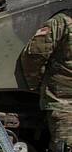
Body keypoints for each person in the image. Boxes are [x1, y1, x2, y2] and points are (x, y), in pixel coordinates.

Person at [21, 12, 72, 144]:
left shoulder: (62, 22)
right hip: (65, 105)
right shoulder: (62, 23)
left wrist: (37, 85)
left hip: (64, 103)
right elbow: (35, 54)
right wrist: (36, 84)